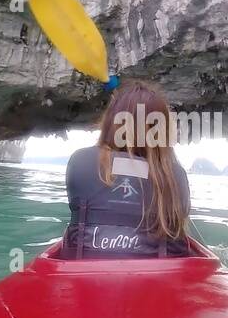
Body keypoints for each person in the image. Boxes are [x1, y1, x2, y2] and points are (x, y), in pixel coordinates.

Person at [60, 80, 191, 259]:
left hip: (87, 274)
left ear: (110, 124)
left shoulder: (80, 162)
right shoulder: (176, 177)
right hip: (157, 279)